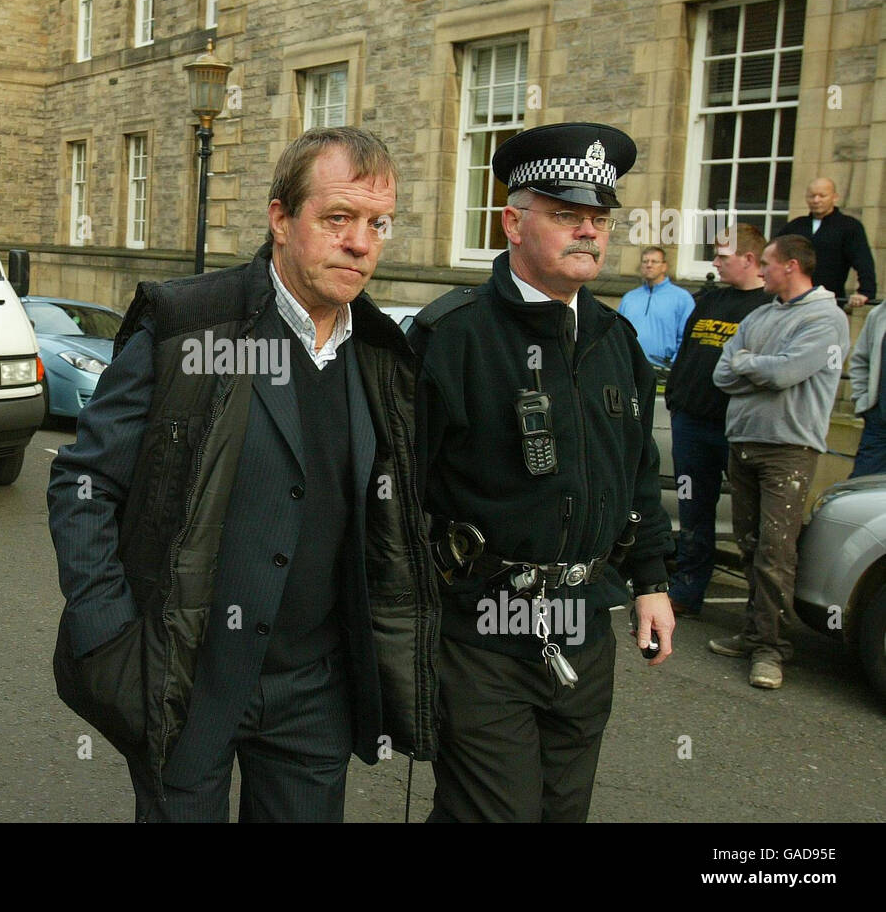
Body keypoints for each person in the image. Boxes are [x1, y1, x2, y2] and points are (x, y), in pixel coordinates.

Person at [47, 127, 438, 823]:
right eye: (338, 218)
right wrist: (110, 639)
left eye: (377, 223)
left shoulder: (382, 354)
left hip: (314, 694)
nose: (361, 242)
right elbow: (83, 484)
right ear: (281, 217)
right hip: (189, 676)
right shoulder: (187, 324)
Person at [412, 122, 675, 823]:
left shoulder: (618, 342)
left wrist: (651, 580)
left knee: (563, 813)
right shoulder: (451, 337)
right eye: (565, 214)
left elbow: (637, 473)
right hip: (481, 633)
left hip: (583, 631)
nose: (587, 232)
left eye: (597, 218)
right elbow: (394, 492)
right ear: (513, 222)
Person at [711, 234, 850, 689]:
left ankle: (772, 649)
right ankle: (755, 633)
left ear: (791, 266)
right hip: (744, 440)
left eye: (767, 263)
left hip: (788, 448)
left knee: (776, 551)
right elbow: (722, 373)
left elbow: (788, 373)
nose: (761, 271)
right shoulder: (758, 314)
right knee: (750, 545)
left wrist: (752, 364)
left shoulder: (826, 318)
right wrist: (760, 368)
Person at [663, 225, 772, 616]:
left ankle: (758, 611)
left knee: (751, 522)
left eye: (722, 257)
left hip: (737, 428)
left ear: (749, 260)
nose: (714, 263)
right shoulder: (707, 301)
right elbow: (687, 350)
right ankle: (687, 592)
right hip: (691, 423)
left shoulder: (769, 308)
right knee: (693, 510)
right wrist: (675, 397)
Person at [777, 178, 877, 308]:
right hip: (791, 300)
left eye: (822, 195)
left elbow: (863, 261)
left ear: (834, 197)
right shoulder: (795, 226)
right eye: (812, 196)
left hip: (828, 301)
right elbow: (774, 255)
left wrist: (865, 291)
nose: (816, 200)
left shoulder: (849, 227)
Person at [617, 246, 695, 366]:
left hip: (662, 370)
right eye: (645, 261)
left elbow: (687, 337)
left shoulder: (681, 298)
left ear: (664, 266)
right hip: (629, 367)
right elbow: (618, 332)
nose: (649, 265)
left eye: (654, 261)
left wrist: (674, 365)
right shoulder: (629, 298)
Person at [849, 298, 886, 477]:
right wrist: (863, 400)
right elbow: (860, 360)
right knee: (860, 487)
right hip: (878, 423)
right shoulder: (879, 314)